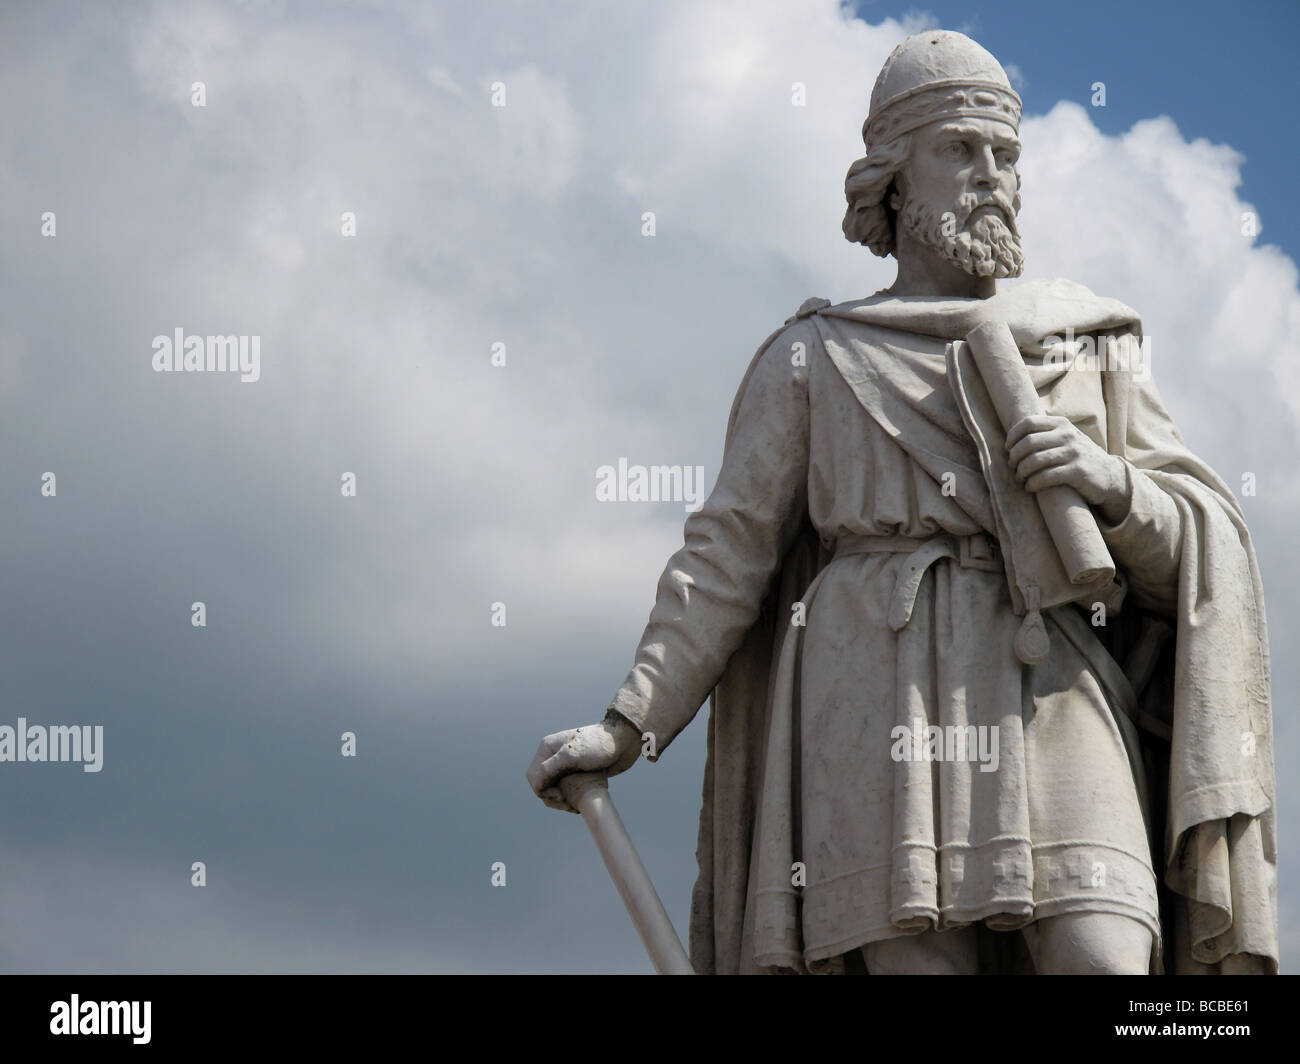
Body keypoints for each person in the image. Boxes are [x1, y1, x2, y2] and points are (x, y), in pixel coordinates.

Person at [526, 30, 1276, 975]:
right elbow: (726, 557)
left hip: (1050, 673)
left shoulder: (1088, 344)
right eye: (959, 149)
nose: (990, 176)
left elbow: (1198, 552)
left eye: (1005, 154)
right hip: (871, 696)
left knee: (1109, 954)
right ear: (893, 176)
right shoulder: (816, 356)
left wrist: (1107, 480)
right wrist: (628, 725)